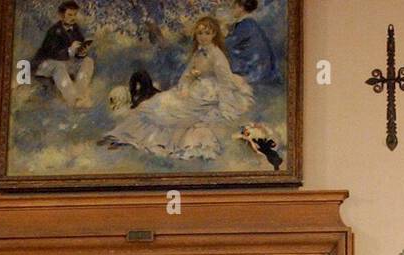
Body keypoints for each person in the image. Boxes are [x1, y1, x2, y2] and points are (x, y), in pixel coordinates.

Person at [102, 16, 254, 161]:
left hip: (207, 94)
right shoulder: (199, 52)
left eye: (207, 33)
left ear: (214, 34)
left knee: (169, 111)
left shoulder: (217, 56)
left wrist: (224, 106)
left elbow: (225, 82)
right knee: (154, 103)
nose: (203, 37)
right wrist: (184, 87)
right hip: (191, 89)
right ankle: (123, 136)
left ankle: (157, 143)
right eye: (200, 33)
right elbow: (187, 74)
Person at [31, 1, 95, 109]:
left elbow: (76, 52)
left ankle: (80, 94)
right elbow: (52, 53)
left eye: (75, 14)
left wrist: (81, 52)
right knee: (59, 66)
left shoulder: (75, 29)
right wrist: (70, 50)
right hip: (44, 64)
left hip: (64, 62)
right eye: (70, 15)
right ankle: (72, 99)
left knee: (88, 61)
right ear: (61, 15)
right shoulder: (54, 31)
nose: (73, 18)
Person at [227, 0, 281, 88]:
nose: (232, 10)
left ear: (241, 8)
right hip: (259, 62)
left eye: (234, 7)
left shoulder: (246, 24)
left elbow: (231, 43)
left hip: (255, 66)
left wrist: (221, 37)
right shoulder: (250, 23)